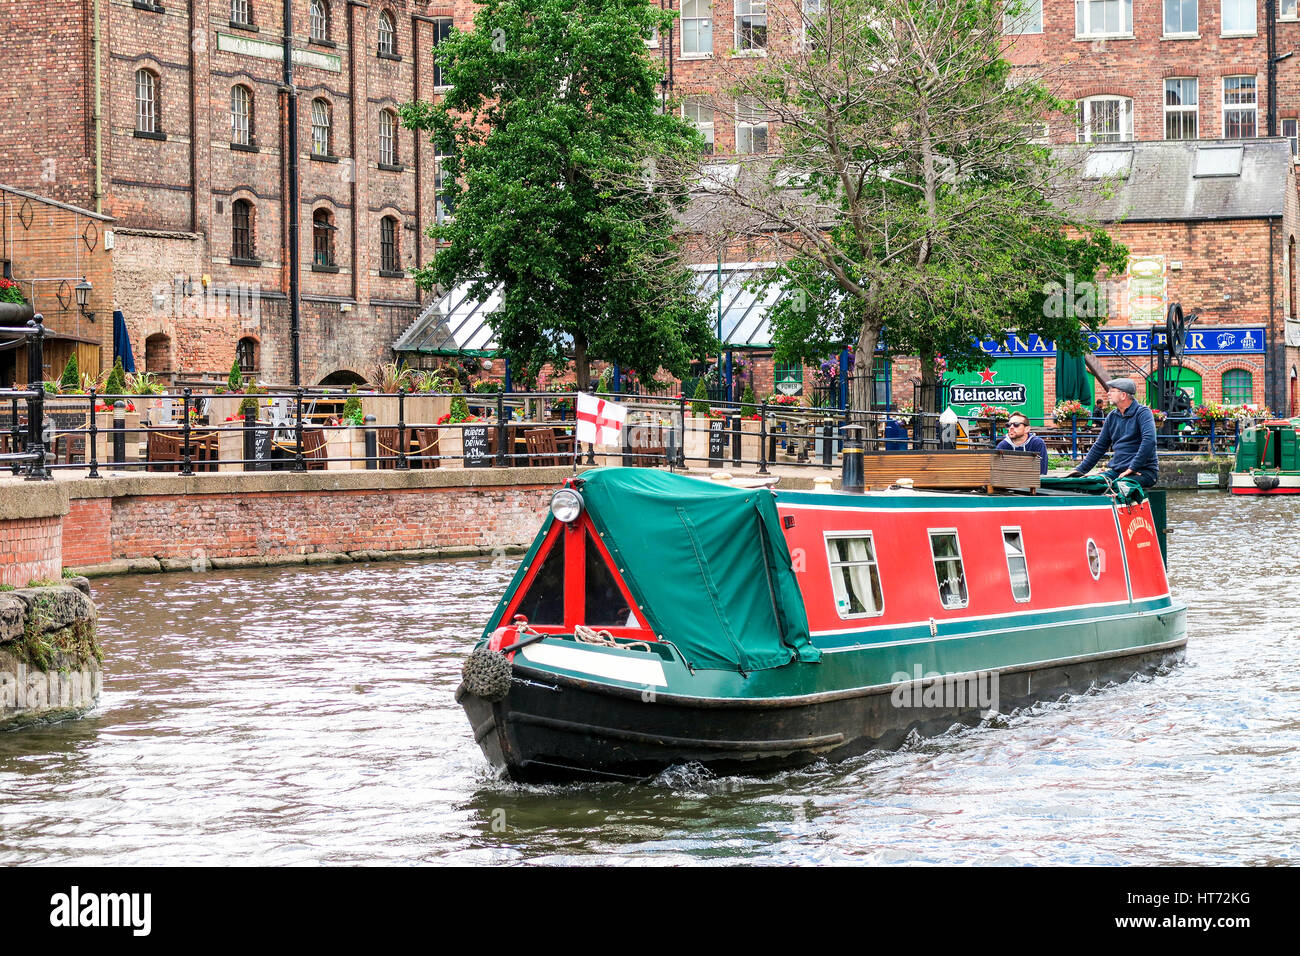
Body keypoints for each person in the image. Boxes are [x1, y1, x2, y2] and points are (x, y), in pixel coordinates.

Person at [1067, 378, 1158, 487]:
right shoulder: (1112, 416)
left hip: (1143, 471)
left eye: (1112, 390)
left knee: (1118, 485)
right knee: (1090, 483)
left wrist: (1133, 467)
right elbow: (1100, 446)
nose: (1108, 393)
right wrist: (1080, 470)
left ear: (1123, 395)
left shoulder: (1143, 413)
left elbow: (1149, 441)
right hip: (1118, 471)